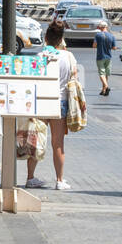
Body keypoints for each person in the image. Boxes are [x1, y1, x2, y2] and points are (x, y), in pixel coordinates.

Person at [44, 19, 78, 191]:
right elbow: (75, 77)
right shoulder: (68, 56)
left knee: (37, 139)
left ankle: (30, 177)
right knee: (57, 143)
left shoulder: (40, 55)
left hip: (41, 100)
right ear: (62, 38)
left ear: (46, 38)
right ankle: (59, 179)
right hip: (60, 102)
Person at [94, 19, 116, 96]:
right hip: (108, 56)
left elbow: (94, 46)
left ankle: (106, 86)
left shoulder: (98, 35)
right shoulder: (112, 36)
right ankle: (104, 90)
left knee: (101, 73)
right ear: (106, 27)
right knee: (106, 73)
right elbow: (114, 47)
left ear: (100, 27)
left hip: (100, 56)